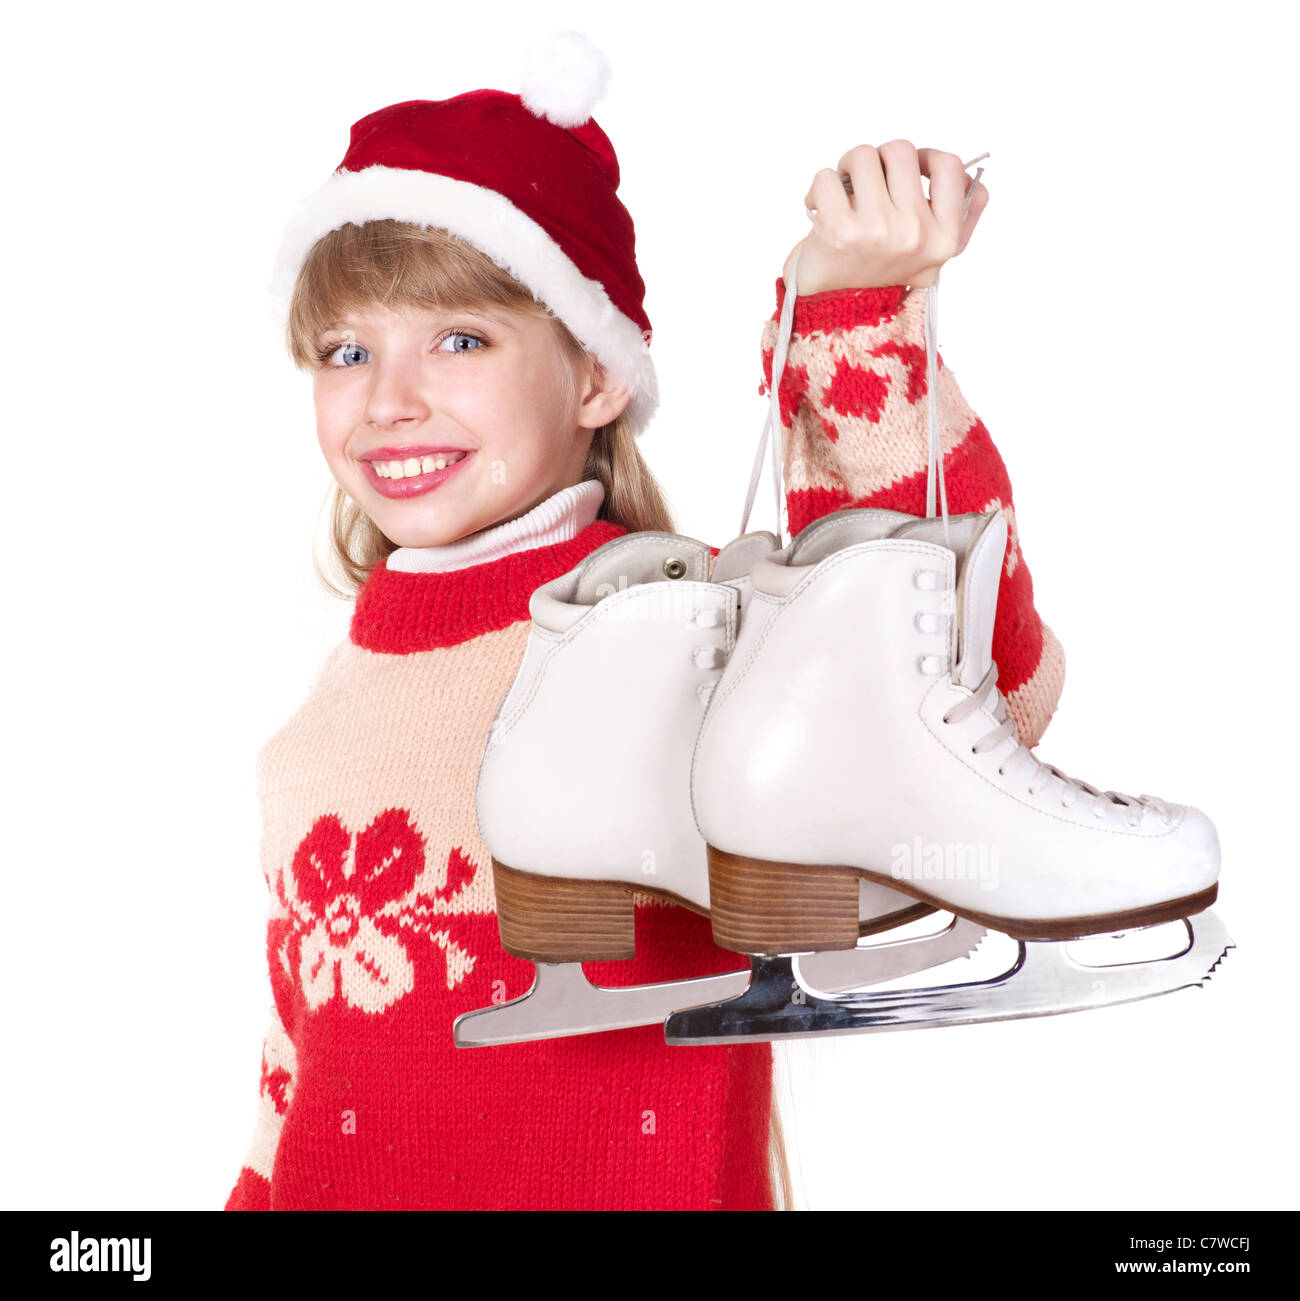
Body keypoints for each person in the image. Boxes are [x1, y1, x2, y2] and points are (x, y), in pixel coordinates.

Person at [223, 32, 1062, 1211]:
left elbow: (978, 697)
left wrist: (853, 314)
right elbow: (294, 1076)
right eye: (344, 350)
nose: (386, 398)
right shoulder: (332, 705)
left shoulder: (681, 627)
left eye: (459, 338)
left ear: (595, 378)